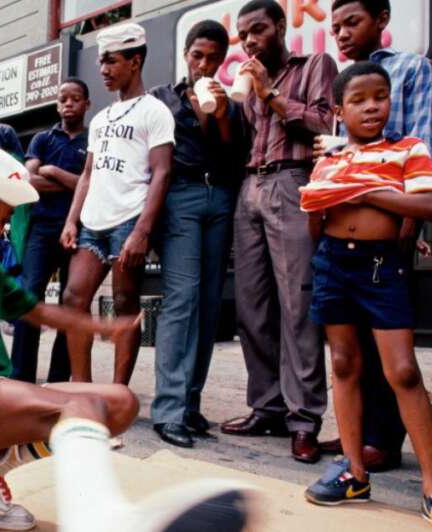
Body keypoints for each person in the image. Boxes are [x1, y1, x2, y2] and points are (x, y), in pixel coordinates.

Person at [0, 135, 257, 532]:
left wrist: (98, 325)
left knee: (116, 405)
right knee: (72, 408)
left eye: (3, 222)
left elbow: (36, 310)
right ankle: (103, 520)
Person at [299, 62, 432, 531]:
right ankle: (355, 473)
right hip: (333, 263)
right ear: (339, 111)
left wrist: (367, 191)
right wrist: (323, 203)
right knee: (342, 364)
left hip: (382, 265)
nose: (372, 106)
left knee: (402, 370)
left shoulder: (408, 148)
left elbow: (430, 204)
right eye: (359, 100)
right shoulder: (329, 158)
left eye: (380, 96)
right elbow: (315, 218)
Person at [316, 0, 432, 472]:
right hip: (341, 247)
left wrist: (407, 230)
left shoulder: (412, 69)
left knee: (395, 354)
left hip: (391, 230)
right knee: (349, 354)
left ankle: (387, 441)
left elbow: (423, 145)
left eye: (353, 22)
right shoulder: (342, 86)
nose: (342, 34)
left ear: (381, 19)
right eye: (336, 27)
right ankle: (359, 440)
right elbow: (340, 169)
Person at [222, 0, 337, 465]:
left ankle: (304, 418)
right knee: (252, 307)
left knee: (297, 306)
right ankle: (266, 406)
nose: (249, 41)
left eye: (257, 31)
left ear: (280, 25)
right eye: (244, 35)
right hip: (250, 185)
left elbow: (324, 123)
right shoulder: (248, 81)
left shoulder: (314, 65)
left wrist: (269, 93)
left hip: (293, 180)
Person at [148, 20, 246, 448]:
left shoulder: (231, 103)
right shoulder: (160, 100)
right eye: (197, 55)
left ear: (223, 61)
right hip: (181, 198)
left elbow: (233, 153)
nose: (204, 64)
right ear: (185, 54)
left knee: (209, 304)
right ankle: (167, 410)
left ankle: (190, 403)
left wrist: (219, 115)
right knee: (181, 300)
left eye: (212, 58)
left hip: (220, 198)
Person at [60, 23, 174, 386]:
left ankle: (117, 393)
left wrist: (142, 231)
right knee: (73, 298)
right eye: (101, 62)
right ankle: (82, 389)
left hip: (129, 220)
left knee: (125, 305)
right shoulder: (100, 119)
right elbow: (88, 174)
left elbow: (161, 173)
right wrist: (71, 220)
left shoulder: (155, 112)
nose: (103, 70)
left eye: (111, 61)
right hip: (93, 222)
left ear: (135, 61)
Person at [9, 78, 90, 385]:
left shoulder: (92, 140)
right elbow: (27, 180)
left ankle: (58, 378)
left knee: (72, 303)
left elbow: (92, 182)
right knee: (30, 297)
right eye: (63, 99)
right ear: (57, 104)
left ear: (86, 104)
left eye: (75, 98)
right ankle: (21, 376)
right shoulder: (43, 139)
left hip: (80, 230)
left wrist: (53, 172)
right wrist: (76, 182)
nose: (68, 103)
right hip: (41, 229)